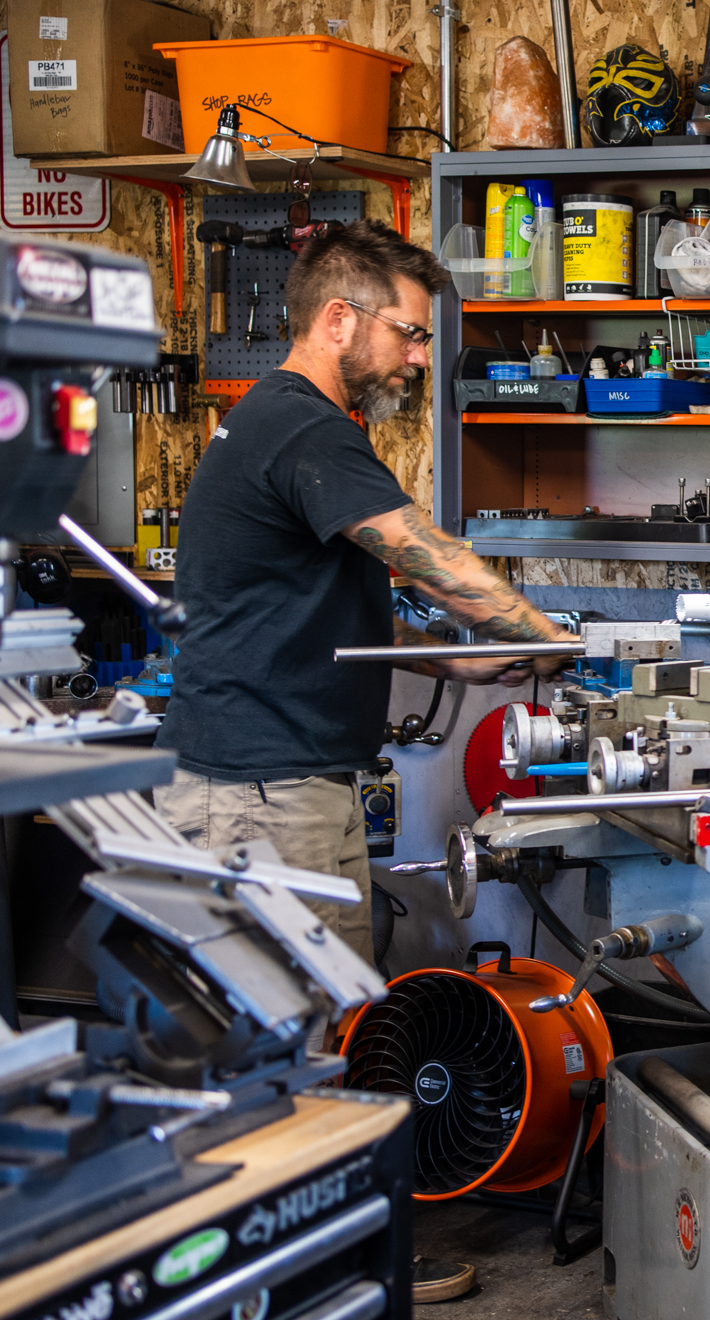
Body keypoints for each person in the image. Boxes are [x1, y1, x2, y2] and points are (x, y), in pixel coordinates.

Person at [155, 219, 575, 965]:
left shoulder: (291, 424)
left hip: (292, 786)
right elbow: (430, 560)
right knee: (288, 1044)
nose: (419, 356)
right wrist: (549, 640)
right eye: (410, 333)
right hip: (257, 795)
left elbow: (325, 617)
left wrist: (452, 661)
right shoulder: (302, 429)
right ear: (339, 319)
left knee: (331, 1026)